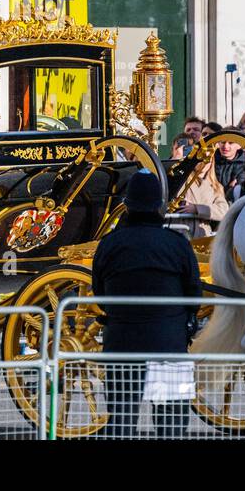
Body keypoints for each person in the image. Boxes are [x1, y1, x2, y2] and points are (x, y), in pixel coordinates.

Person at [92, 170, 201, 438]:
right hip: (168, 345)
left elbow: (99, 293)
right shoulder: (177, 244)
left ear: (127, 206)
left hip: (122, 343)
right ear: (159, 206)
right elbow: (194, 294)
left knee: (121, 421)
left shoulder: (109, 244)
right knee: (171, 426)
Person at [175, 146, 231, 238]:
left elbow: (224, 210)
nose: (205, 163)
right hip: (181, 229)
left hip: (203, 233)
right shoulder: (182, 180)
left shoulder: (216, 186)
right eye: (202, 159)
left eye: (208, 160)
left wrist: (197, 208)